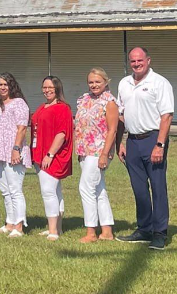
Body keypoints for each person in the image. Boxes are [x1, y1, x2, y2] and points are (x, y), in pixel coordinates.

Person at [116, 47, 174, 251]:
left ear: (148, 60)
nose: (136, 64)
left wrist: (160, 145)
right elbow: (121, 116)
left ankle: (159, 233)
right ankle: (144, 229)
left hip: (153, 139)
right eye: (132, 61)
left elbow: (167, 116)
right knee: (139, 188)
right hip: (132, 141)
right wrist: (119, 142)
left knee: (158, 188)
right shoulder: (124, 83)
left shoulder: (160, 83)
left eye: (140, 60)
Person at [74, 67, 119, 243]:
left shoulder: (109, 102)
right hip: (84, 151)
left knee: (85, 188)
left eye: (97, 81)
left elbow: (112, 129)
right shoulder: (84, 99)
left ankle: (91, 232)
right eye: (91, 82)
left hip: (99, 150)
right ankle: (107, 231)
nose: (94, 85)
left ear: (106, 82)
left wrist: (105, 154)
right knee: (99, 190)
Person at [0, 72, 31, 238]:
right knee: (5, 190)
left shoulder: (19, 103)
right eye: (0, 84)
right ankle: (9, 222)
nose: (3, 87)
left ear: (12, 86)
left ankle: (19, 225)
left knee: (15, 189)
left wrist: (16, 149)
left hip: (13, 151)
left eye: (6, 84)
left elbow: (22, 128)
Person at [31, 76, 74, 241]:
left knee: (48, 192)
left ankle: (53, 231)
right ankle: (57, 227)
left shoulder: (62, 108)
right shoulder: (43, 107)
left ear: (57, 89)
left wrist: (50, 154)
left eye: (50, 87)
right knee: (56, 192)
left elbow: (62, 133)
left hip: (51, 156)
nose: (47, 90)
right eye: (44, 87)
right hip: (39, 153)